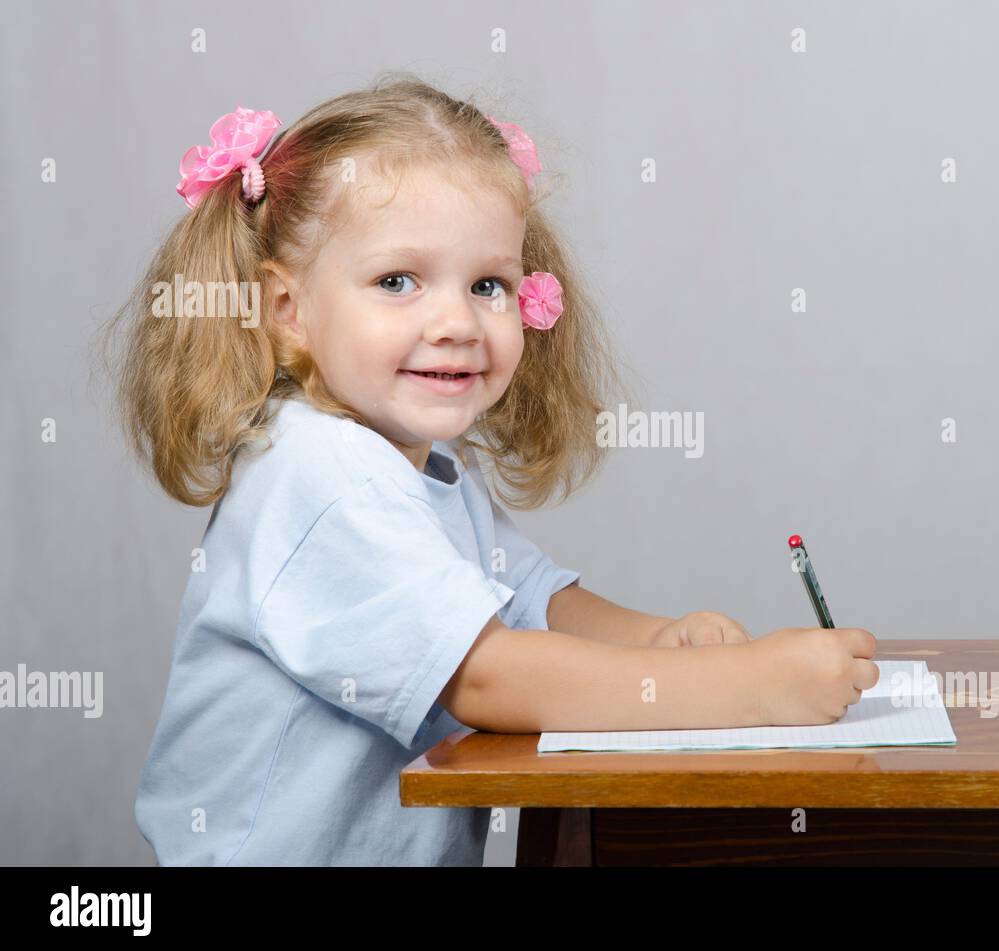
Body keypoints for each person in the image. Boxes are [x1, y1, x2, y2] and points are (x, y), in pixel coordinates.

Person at [106, 73, 878, 865]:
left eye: (488, 285)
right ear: (287, 310)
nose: (456, 323)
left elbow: (534, 599)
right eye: (397, 282)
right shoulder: (322, 474)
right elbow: (483, 676)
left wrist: (658, 641)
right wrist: (749, 690)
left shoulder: (415, 466)